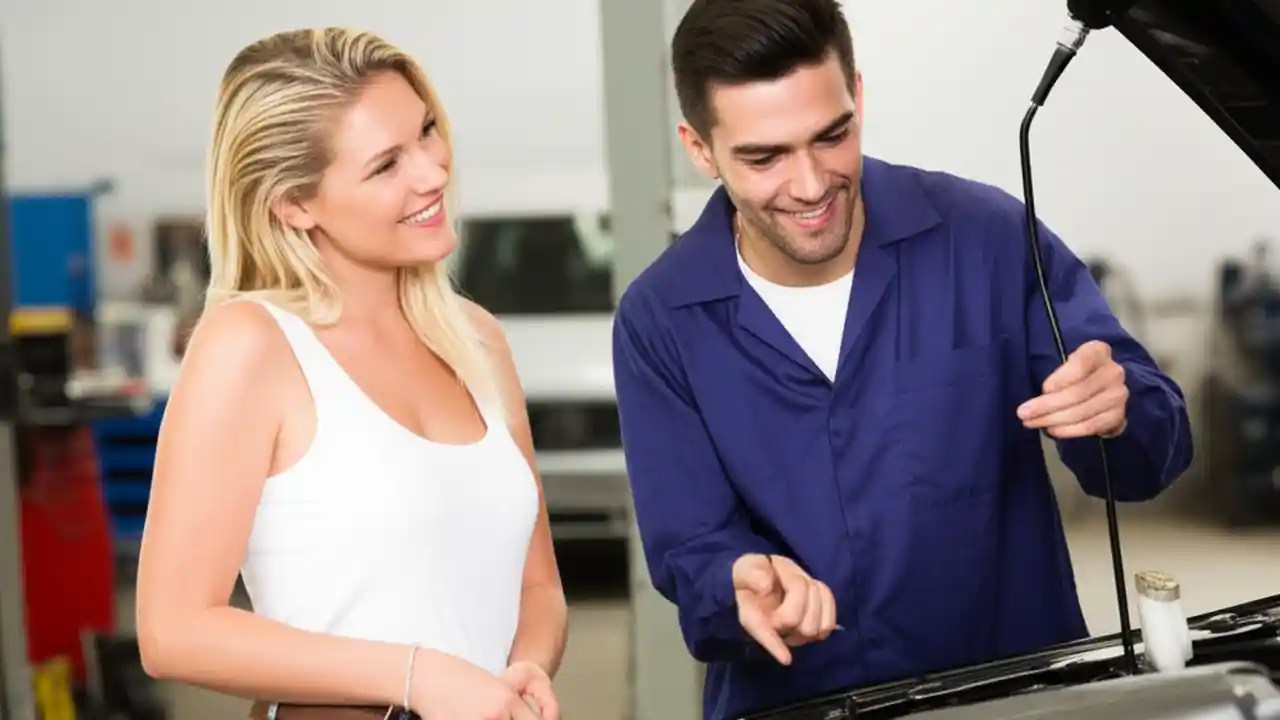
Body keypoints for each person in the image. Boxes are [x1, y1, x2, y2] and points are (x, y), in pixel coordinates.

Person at [611, 1, 1193, 718]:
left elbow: (1151, 451)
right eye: (764, 157)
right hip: (794, 701)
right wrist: (734, 581)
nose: (810, 184)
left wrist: (1120, 408)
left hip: (1015, 701)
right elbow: (689, 542)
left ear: (858, 95)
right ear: (699, 149)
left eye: (832, 136)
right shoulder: (659, 319)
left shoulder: (987, 239)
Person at [134, 28, 567, 720]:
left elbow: (538, 587)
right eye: (385, 165)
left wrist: (524, 672)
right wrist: (417, 676)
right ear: (294, 205)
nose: (432, 172)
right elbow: (173, 630)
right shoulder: (252, 346)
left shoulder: (476, 339)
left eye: (426, 132)